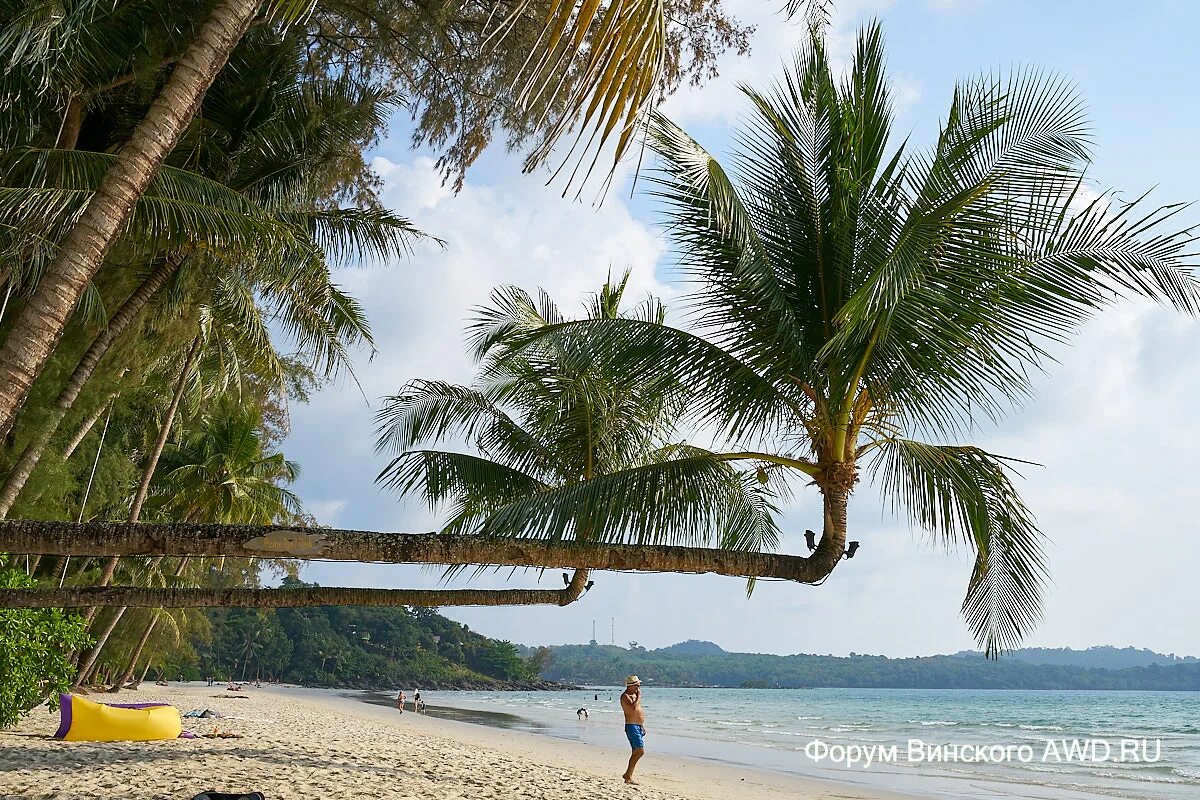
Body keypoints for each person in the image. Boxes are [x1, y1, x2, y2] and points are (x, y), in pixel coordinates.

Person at [620, 675, 646, 785]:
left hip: (637, 726)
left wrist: (641, 725)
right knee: (640, 751)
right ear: (631, 686)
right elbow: (634, 707)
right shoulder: (625, 696)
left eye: (639, 686)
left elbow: (637, 712)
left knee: (635, 752)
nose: (638, 688)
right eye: (637, 686)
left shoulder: (634, 695)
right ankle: (628, 775)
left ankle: (629, 776)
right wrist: (639, 696)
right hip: (631, 726)